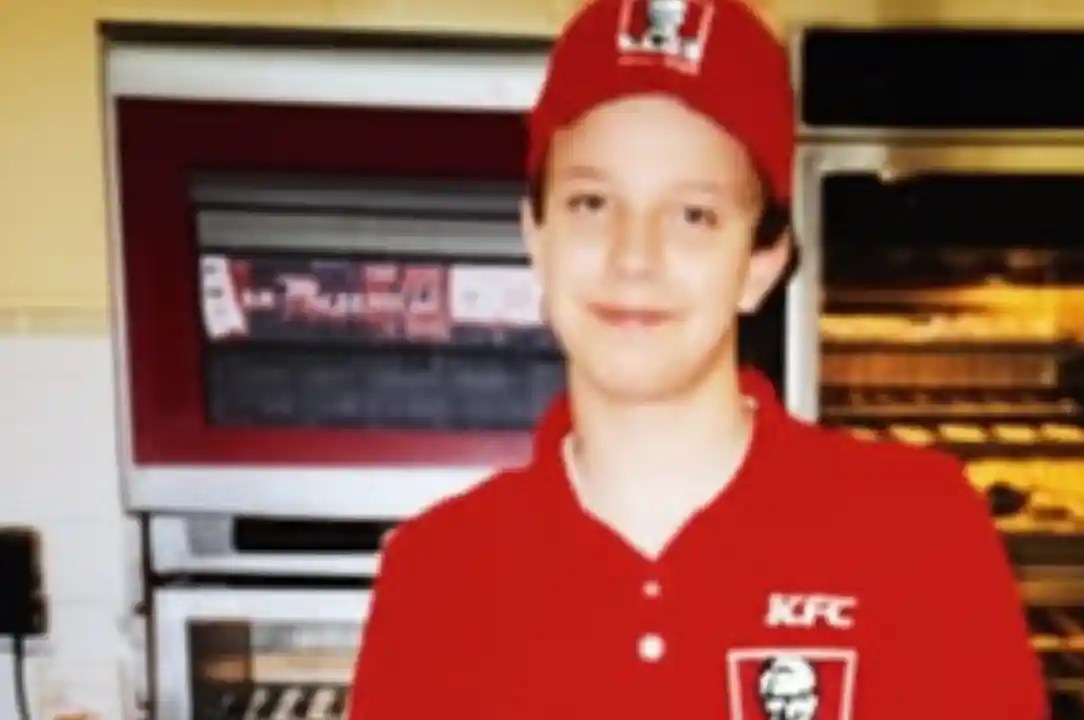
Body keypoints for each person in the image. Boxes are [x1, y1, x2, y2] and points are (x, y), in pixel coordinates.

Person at [347, 0, 1047, 717]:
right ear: (537, 235)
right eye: (592, 203)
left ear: (762, 263)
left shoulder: (921, 534)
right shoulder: (436, 575)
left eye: (693, 215)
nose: (634, 257)